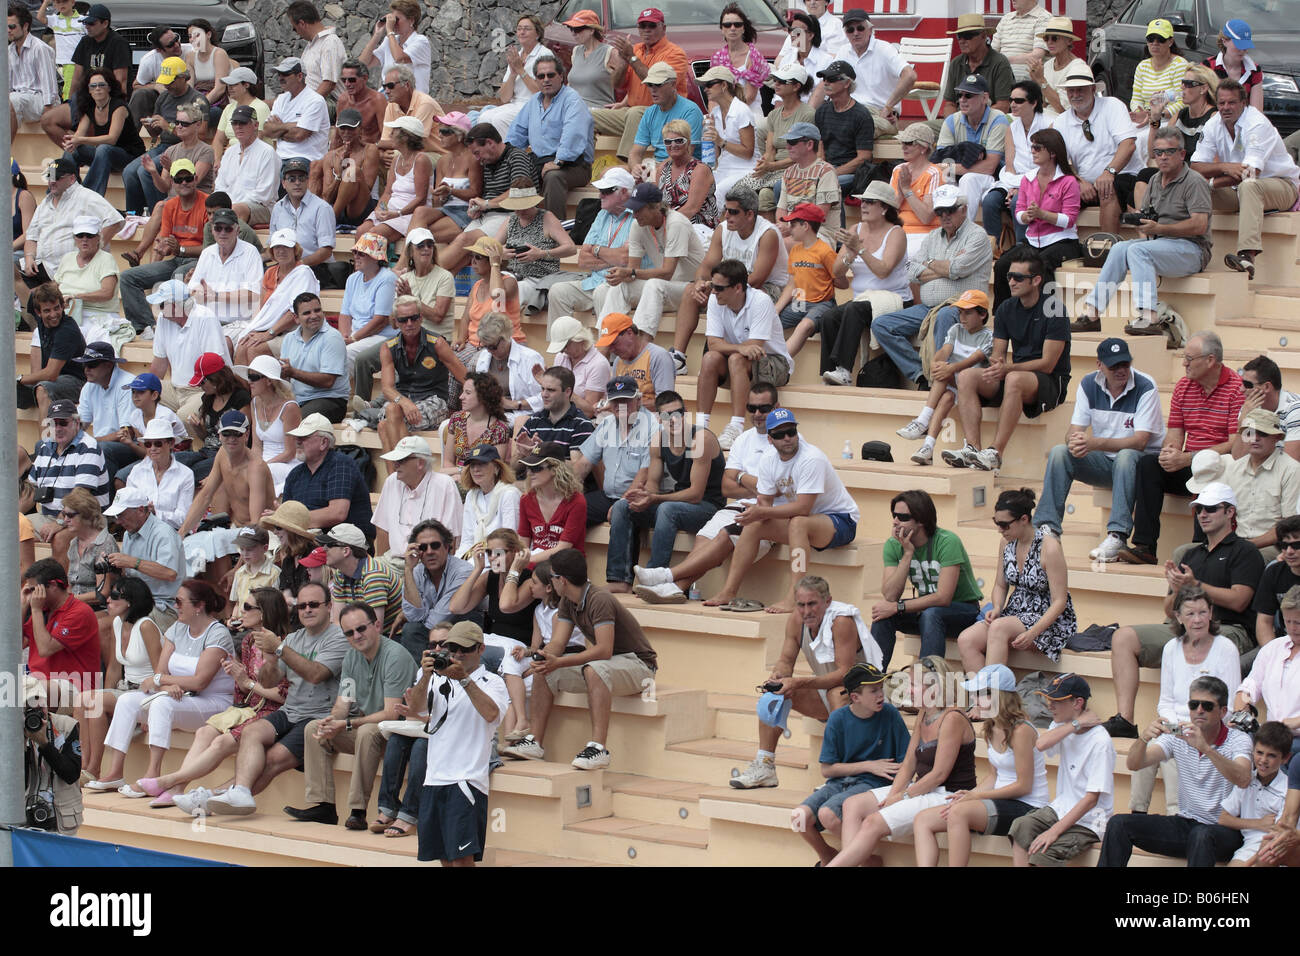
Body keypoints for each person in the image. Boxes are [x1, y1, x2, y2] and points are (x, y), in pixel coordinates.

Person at [1105, 484, 1265, 741]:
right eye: (1199, 509)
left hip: (1230, 629)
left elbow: (1239, 600)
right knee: (1122, 637)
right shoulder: (1191, 554)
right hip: (1185, 627)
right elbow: (1169, 609)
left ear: (1230, 512)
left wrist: (1194, 585)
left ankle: (1206, 730)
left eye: (1211, 508)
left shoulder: (1245, 551)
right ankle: (1125, 719)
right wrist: (1179, 590)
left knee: (1204, 640)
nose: (1203, 514)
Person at [199, 581, 349, 816]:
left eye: (313, 605)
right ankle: (234, 794)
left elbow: (316, 674)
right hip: (291, 710)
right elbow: (269, 681)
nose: (307, 610)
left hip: (318, 716)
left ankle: (211, 798)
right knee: (251, 733)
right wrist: (270, 658)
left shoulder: (338, 638)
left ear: (329, 607)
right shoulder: (294, 638)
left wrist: (278, 649)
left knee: (272, 758)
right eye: (301, 606)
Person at [502, 550, 657, 770]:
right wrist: (548, 657)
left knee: (594, 670)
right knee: (545, 670)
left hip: (640, 666)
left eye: (553, 577)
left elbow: (604, 650)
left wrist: (559, 662)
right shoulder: (568, 600)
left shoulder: (599, 599)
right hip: (611, 663)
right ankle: (534, 742)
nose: (552, 581)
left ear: (561, 581)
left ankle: (598, 748)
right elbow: (558, 642)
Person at [731, 575, 885, 792]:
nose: (806, 611)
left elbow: (846, 675)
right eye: (801, 605)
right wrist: (778, 676)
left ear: (828, 601)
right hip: (828, 690)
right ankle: (765, 766)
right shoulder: (796, 620)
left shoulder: (842, 622)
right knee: (773, 695)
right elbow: (785, 660)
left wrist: (799, 682)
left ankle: (843, 774)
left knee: (838, 693)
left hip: (865, 695)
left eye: (812, 604)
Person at [633, 383, 779, 605]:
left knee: (721, 536)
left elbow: (773, 492)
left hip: (770, 512)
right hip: (736, 506)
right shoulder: (742, 439)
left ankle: (665, 576)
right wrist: (752, 483)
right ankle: (675, 589)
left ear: (776, 407)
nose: (757, 414)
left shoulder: (787, 440)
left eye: (764, 408)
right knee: (703, 539)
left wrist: (741, 477)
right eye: (752, 408)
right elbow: (727, 488)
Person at [706, 407, 859, 614]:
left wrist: (763, 512)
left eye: (791, 431)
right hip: (807, 520)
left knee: (797, 522)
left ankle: (795, 596)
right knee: (754, 524)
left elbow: (803, 508)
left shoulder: (811, 458)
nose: (787, 438)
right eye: (779, 434)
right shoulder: (768, 459)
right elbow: (766, 502)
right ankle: (728, 591)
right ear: (770, 439)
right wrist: (759, 514)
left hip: (841, 520)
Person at [826, 656, 978, 867]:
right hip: (923, 789)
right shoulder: (925, 711)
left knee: (873, 822)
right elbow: (909, 762)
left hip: (947, 794)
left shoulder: (952, 718)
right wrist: (892, 795)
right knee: (852, 805)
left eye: (913, 685)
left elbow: (939, 775)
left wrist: (902, 797)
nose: (908, 691)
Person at [91, 578, 235, 793]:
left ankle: (153, 775)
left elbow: (199, 681)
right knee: (127, 700)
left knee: (161, 706)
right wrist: (165, 685)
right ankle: (115, 772)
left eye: (179, 601)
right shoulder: (177, 628)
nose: (174, 605)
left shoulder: (217, 633)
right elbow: (160, 672)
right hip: (183, 698)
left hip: (214, 703)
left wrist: (164, 682)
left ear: (199, 606)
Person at [1112, 584, 1245, 815]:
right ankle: (1138, 812)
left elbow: (1229, 706)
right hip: (1176, 727)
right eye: (1190, 613)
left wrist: (1193, 729)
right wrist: (1176, 727)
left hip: (1211, 727)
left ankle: (1177, 814)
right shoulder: (1171, 648)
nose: (1197, 620)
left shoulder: (1226, 648)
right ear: (1178, 617)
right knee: (1148, 747)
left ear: (1211, 613)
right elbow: (1165, 701)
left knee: (1181, 750)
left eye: (1203, 612)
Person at [1117, 331, 1244, 564]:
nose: (1184, 363)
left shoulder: (1236, 388)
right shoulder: (1184, 386)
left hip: (1220, 467)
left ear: (1210, 360)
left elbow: (1235, 443)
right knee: (1149, 464)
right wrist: (1170, 453)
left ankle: (1201, 549)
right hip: (1189, 463)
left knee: (1208, 470)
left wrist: (1190, 459)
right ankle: (1145, 546)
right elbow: (1175, 432)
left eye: (1189, 358)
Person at [1033, 338, 1165, 561]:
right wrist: (1075, 441)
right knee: (1059, 452)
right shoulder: (1088, 383)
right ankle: (1047, 530)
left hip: (1140, 465)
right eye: (1114, 366)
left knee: (1126, 456)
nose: (1121, 370)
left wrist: (1094, 443)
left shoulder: (1145, 385)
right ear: (1099, 366)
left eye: (1125, 364)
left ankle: (1117, 535)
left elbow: (1140, 442)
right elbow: (1073, 430)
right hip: (1106, 463)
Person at [1100, 676, 1252, 866]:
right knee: (1118, 824)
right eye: (1194, 704)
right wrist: (1144, 739)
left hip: (1225, 830)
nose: (1199, 710)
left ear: (1222, 712)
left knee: (1201, 834)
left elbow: (1243, 778)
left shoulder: (1238, 740)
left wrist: (1206, 748)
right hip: (1186, 824)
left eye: (1207, 706)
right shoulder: (1178, 735)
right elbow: (1134, 764)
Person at [286, 601, 412, 828]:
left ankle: (358, 811)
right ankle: (322, 806)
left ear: (377, 625)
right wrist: (332, 721)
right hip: (370, 731)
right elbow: (343, 704)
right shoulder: (352, 658)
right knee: (314, 727)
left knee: (366, 731)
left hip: (399, 737)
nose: (356, 635)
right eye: (349, 632)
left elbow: (391, 715)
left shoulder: (396, 656)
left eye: (361, 628)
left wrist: (346, 725)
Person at [1074, 127, 1212, 334]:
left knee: (1138, 251)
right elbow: (1149, 216)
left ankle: (1149, 317)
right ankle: (1092, 314)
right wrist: (1140, 222)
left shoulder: (1194, 181)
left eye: (1169, 152)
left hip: (1193, 249)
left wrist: (1160, 228)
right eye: (1158, 152)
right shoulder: (1155, 180)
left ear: (1182, 154)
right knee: (1120, 248)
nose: (1163, 157)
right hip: (1161, 243)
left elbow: (1200, 225)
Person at [943, 248, 1070, 472]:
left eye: (1018, 277)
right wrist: (997, 365)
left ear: (1036, 280)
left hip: (1050, 382)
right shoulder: (1005, 309)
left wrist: (1007, 368)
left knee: (1014, 379)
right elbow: (998, 353)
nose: (1011, 282)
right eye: (1009, 277)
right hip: (1016, 375)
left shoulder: (1055, 310)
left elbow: (1048, 363)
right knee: (967, 376)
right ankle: (972, 448)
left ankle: (995, 453)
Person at [913, 663, 1049, 866]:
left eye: (983, 695)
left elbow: (1024, 786)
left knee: (959, 813)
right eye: (975, 695)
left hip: (1029, 806)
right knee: (923, 819)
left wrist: (976, 796)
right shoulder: (990, 727)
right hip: (1000, 801)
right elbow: (994, 777)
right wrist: (968, 796)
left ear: (1001, 697)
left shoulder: (1021, 730)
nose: (976, 702)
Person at [871, 184, 992, 389]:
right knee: (882, 325)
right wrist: (945, 267)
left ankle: (942, 381)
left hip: (960, 307)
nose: (944, 216)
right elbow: (910, 269)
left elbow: (957, 268)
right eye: (939, 211)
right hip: (928, 307)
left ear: (963, 209)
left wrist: (930, 264)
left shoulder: (977, 236)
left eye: (950, 210)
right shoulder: (933, 236)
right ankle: (922, 373)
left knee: (945, 315)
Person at [605, 391, 725, 591]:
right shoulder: (658, 440)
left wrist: (653, 499)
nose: (673, 420)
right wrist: (643, 497)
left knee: (667, 509)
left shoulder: (700, 439)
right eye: (667, 416)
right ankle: (619, 580)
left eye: (678, 413)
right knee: (621, 506)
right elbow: (652, 484)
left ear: (685, 413)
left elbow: (695, 494)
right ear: (659, 419)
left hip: (708, 506)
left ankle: (655, 577)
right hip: (678, 504)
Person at [672, 184, 790, 383]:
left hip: (767, 288)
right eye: (726, 210)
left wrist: (717, 288)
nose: (727, 215)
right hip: (731, 285)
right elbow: (707, 264)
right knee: (691, 291)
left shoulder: (767, 233)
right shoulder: (723, 229)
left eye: (733, 212)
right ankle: (678, 357)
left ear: (750, 214)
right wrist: (702, 283)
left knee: (726, 298)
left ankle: (715, 364)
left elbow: (757, 278)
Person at [793, 662, 908, 865]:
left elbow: (906, 760)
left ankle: (854, 861)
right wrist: (868, 765)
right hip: (840, 783)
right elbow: (827, 769)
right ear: (855, 697)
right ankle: (835, 857)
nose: (880, 695)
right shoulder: (837, 719)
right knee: (799, 818)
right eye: (873, 691)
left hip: (872, 785)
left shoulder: (890, 714)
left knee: (828, 814)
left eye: (881, 689)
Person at [416, 621, 509, 865]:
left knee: (462, 861)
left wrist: (464, 680)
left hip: (466, 780)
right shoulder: (435, 677)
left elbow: (492, 715)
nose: (457, 654)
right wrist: (425, 676)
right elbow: (415, 707)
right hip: (434, 778)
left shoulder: (493, 682)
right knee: (443, 858)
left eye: (464, 649)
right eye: (452, 648)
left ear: (480, 649)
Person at [957, 487, 1076, 669]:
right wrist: (997, 607)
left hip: (1048, 621)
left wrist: (1033, 633)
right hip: (1015, 613)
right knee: (966, 639)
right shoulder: (1006, 542)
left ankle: (996, 694)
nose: (999, 530)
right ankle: (983, 696)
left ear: (1024, 520)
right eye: (996, 523)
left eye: (1004, 525)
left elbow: (1059, 601)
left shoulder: (1049, 547)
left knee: (999, 628)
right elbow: (1000, 584)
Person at [1192, 81, 1300, 279]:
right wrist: (1224, 167)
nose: (1225, 108)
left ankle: (1247, 256)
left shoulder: (1257, 123)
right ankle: (1185, 245)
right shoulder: (1213, 124)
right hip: (1238, 188)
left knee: (1249, 185)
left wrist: (1214, 181)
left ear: (1244, 103)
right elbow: (1196, 166)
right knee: (1193, 186)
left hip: (1282, 186)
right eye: (1222, 103)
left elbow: (1251, 172)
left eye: (1231, 103)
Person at [1008, 673, 1116, 866]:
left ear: (1077, 703)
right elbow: (1041, 744)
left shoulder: (1101, 741)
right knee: (1020, 827)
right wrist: (1076, 723)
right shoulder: (1062, 726)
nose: (1049, 705)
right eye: (1049, 699)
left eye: (1056, 700)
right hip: (1061, 808)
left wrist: (1054, 831)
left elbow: (1092, 799)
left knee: (1042, 854)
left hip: (1090, 821)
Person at [869, 488, 983, 668]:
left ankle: (927, 679)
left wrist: (898, 607)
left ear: (921, 520)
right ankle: (871, 679)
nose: (895, 521)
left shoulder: (947, 541)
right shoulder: (893, 545)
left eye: (903, 517)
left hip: (963, 610)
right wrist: (907, 555)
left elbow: (943, 598)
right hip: (926, 610)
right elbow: (890, 596)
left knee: (931, 613)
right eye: (894, 515)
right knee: (882, 614)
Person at [813, 181, 910, 386]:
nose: (863, 205)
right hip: (863, 300)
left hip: (894, 298)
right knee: (829, 317)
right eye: (862, 201)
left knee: (854, 309)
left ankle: (844, 370)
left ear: (884, 208)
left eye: (869, 201)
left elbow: (883, 271)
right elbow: (836, 272)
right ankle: (829, 373)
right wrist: (850, 253)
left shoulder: (897, 233)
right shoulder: (855, 228)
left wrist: (861, 250)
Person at [696, 259, 793, 450]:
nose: (713, 291)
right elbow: (712, 344)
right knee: (709, 358)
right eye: (712, 285)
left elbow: (755, 347)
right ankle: (701, 426)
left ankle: (736, 427)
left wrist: (737, 349)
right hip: (741, 363)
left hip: (776, 364)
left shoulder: (761, 301)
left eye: (719, 287)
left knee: (736, 358)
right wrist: (739, 348)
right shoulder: (716, 301)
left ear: (738, 288)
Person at [449, 530, 539, 733]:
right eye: (489, 552)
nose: (492, 558)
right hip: (494, 642)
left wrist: (515, 569)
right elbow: (456, 607)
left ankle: (510, 732)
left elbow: (507, 604)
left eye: (498, 553)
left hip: (517, 646)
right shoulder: (490, 576)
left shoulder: (530, 579)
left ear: (515, 552)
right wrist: (477, 569)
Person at [77, 577, 163, 785]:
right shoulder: (118, 623)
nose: (108, 600)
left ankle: (94, 768)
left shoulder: (146, 626)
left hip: (147, 694)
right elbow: (115, 667)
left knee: (93, 701)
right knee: (84, 700)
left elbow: (161, 670)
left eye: (115, 596)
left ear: (130, 602)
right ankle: (84, 767)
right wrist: (105, 694)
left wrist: (155, 707)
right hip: (126, 690)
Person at [894, 290, 994, 466]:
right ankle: (928, 446)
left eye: (968, 313)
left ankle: (922, 420)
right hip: (954, 381)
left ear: (983, 314)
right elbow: (945, 351)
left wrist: (948, 368)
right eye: (960, 312)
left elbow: (974, 359)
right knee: (946, 394)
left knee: (944, 374)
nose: (962, 317)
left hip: (973, 387)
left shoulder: (988, 336)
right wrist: (935, 362)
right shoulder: (956, 329)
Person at [599, 184, 706, 344]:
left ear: (656, 206)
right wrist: (620, 275)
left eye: (639, 210)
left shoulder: (676, 223)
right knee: (616, 288)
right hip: (667, 289)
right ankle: (605, 348)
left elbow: (667, 272)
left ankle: (641, 348)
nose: (634, 215)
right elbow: (631, 271)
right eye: (633, 209)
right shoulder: (637, 225)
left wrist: (629, 273)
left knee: (654, 285)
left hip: (692, 290)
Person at [354, 296, 463, 452]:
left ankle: (399, 470)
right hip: (403, 402)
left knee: (385, 424)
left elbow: (464, 377)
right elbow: (387, 388)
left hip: (434, 401)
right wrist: (404, 402)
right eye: (404, 320)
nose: (409, 324)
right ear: (396, 322)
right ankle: (405, 468)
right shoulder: (388, 347)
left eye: (414, 318)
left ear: (421, 318)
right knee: (392, 414)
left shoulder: (437, 343)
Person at [992, 127, 1080, 308]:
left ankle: (1046, 314)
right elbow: (1019, 213)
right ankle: (1002, 313)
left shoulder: (1069, 181)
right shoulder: (1027, 179)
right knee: (1002, 265)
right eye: (1032, 147)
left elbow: (1069, 220)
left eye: (1038, 147)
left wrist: (1042, 214)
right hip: (1033, 241)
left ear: (1053, 152)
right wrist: (1027, 216)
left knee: (1042, 265)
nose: (1033, 151)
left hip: (1063, 241)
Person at [1050, 65, 1141, 235]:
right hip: (1086, 184)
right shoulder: (1061, 121)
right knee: (1051, 195)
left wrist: (1109, 172)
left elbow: (1128, 144)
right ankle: (1060, 249)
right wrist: (1078, 181)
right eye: (1071, 91)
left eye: (1080, 90)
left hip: (1124, 176)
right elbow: (1058, 160)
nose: (1075, 95)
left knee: (1107, 187)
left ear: (1092, 89)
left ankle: (1106, 248)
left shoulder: (1112, 105)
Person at [591, 8, 692, 159]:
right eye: (642, 26)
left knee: (635, 113)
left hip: (666, 115)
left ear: (663, 28)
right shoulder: (636, 50)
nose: (647, 30)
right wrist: (623, 63)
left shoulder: (675, 53)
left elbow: (657, 82)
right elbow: (617, 84)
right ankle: (583, 164)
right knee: (588, 116)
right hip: (633, 114)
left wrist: (632, 58)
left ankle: (625, 167)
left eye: (652, 26)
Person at [505, 54, 593, 221]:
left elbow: (573, 135)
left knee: (553, 177)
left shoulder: (572, 100)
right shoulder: (533, 102)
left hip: (574, 165)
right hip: (541, 161)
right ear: (536, 80)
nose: (546, 80)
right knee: (517, 176)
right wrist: (507, 158)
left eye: (551, 75)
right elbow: (516, 135)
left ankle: (555, 231)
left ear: (561, 76)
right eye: (541, 76)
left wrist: (558, 162)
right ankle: (520, 228)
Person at [20, 156, 122, 295]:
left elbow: (115, 221)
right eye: (49, 177)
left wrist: (91, 251)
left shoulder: (86, 196)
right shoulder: (45, 203)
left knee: (33, 296)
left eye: (57, 178)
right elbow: (31, 237)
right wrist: (29, 257)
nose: (52, 182)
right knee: (9, 275)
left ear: (72, 179)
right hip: (41, 267)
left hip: (72, 270)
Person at [545, 165, 633, 322]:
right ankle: (562, 346)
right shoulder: (602, 214)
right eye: (600, 191)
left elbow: (624, 259)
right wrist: (611, 256)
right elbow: (583, 260)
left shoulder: (637, 216)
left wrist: (596, 250)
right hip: (595, 281)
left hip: (621, 283)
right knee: (558, 292)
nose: (600, 196)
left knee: (602, 292)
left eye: (606, 191)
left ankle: (605, 346)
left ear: (625, 192)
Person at [120, 58, 207, 215]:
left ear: (182, 78)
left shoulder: (197, 99)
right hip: (164, 145)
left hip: (185, 148)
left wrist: (168, 126)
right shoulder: (163, 98)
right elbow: (157, 134)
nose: (167, 86)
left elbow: (201, 133)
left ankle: (159, 214)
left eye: (171, 82)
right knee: (128, 171)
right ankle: (133, 215)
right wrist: (150, 125)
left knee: (145, 171)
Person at [40, 3, 130, 148]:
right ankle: (78, 153)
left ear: (105, 23)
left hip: (106, 100)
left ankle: (86, 153)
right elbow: (76, 77)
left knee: (91, 125)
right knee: (47, 120)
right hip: (84, 98)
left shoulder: (118, 43)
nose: (87, 26)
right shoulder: (85, 41)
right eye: (85, 23)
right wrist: (69, 101)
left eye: (91, 23)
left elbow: (121, 81)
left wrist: (112, 108)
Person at [573, 375, 659, 527]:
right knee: (568, 509)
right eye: (615, 401)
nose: (620, 405)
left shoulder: (653, 426)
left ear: (638, 400)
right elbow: (584, 465)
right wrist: (561, 492)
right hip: (608, 496)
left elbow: (645, 473)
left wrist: (622, 502)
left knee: (622, 512)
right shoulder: (607, 423)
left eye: (625, 400)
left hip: (640, 498)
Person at [27, 401, 108, 556]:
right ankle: (27, 579)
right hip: (48, 516)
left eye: (63, 423)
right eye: (53, 423)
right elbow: (29, 489)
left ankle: (60, 581)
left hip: (85, 519)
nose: (57, 428)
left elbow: (80, 495)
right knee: (11, 528)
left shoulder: (88, 447)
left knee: (60, 538)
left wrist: (59, 523)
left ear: (76, 423)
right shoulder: (46, 447)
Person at [21, 558, 101, 707]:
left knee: (28, 690)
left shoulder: (79, 612)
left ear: (52, 586)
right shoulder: (43, 610)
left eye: (34, 590)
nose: (32, 595)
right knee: (17, 688)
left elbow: (45, 649)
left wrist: (36, 609)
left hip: (76, 686)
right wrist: (23, 604)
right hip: (41, 681)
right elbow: (17, 644)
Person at [103, 487, 186, 630]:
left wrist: (131, 562)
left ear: (141, 510)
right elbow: (129, 573)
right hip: (135, 601)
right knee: (95, 624)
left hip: (162, 605)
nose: (118, 521)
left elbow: (170, 573)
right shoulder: (129, 532)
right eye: (116, 516)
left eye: (121, 515)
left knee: (107, 627)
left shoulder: (163, 533)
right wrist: (113, 567)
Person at [232, 231, 321, 365]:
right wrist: (256, 329)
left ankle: (264, 386)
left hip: (294, 331)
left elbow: (295, 313)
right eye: (277, 247)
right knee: (242, 345)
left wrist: (269, 333)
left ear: (295, 249)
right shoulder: (270, 272)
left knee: (254, 349)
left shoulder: (303, 273)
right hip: (269, 327)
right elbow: (263, 309)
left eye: (286, 247)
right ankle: (244, 386)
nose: (281, 251)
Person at [984, 79, 1051, 255]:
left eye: (1019, 101)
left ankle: (1023, 249)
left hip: (1041, 179)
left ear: (1034, 102)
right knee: (989, 201)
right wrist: (1014, 185)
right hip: (1013, 180)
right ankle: (993, 249)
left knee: (1016, 202)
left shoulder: (1049, 125)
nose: (1013, 104)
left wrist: (1021, 186)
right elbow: (1009, 165)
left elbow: (1047, 165)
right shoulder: (1012, 127)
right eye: (1011, 99)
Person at [282, 412, 375, 539]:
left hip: (346, 545)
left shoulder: (341, 464)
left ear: (324, 443)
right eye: (297, 437)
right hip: (310, 542)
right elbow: (286, 515)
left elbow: (337, 513)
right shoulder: (295, 474)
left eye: (304, 437)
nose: (297, 441)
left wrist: (290, 519)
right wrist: (280, 518)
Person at [819, 11, 914, 135]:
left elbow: (910, 76)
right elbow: (826, 82)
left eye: (860, 28)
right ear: (845, 33)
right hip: (849, 112)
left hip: (878, 114)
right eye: (850, 30)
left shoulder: (884, 49)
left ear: (870, 30)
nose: (855, 33)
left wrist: (888, 108)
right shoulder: (844, 51)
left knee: (851, 130)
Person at [491, 181, 577, 315]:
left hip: (539, 278)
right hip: (513, 275)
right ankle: (493, 328)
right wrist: (501, 252)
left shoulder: (547, 218)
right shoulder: (512, 219)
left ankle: (502, 328)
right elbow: (490, 247)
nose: (521, 211)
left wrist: (543, 253)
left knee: (512, 292)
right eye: (517, 207)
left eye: (525, 206)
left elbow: (571, 248)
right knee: (494, 289)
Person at [737, 63, 815, 210]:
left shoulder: (807, 114)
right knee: (737, 192)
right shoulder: (773, 115)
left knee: (765, 194)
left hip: (798, 169)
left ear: (796, 86)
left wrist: (770, 166)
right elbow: (770, 150)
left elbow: (803, 155)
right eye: (776, 80)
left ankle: (771, 231)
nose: (776, 84)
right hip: (776, 168)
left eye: (782, 81)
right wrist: (764, 164)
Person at [374, 436, 462, 561]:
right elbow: (382, 528)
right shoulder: (391, 481)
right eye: (395, 460)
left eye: (401, 460)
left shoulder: (444, 485)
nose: (395, 465)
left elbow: (451, 538)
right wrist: (381, 566)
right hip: (394, 561)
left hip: (428, 564)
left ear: (420, 463)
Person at [936, 74, 1010, 220]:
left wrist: (951, 167)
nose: (962, 100)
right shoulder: (952, 120)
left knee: (968, 179)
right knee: (938, 178)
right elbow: (939, 161)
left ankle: (963, 231)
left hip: (993, 180)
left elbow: (990, 167)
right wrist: (948, 168)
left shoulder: (998, 119)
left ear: (984, 98)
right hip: (957, 178)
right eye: (960, 95)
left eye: (968, 95)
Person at [400, 519, 475, 659]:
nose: (429, 552)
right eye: (423, 547)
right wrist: (408, 569)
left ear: (447, 547)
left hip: (459, 629)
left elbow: (437, 620)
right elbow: (413, 617)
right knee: (411, 630)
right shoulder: (415, 571)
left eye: (435, 545)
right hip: (431, 632)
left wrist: (422, 615)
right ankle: (422, 678)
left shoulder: (463, 570)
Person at [62, 67, 143, 196]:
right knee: (71, 151)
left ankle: (89, 196)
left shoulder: (119, 106)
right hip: (104, 155)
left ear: (109, 88)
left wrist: (80, 140)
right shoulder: (90, 107)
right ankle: (68, 192)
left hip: (128, 155)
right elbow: (79, 134)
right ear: (89, 90)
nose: (97, 88)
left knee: (103, 148)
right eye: (93, 86)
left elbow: (112, 139)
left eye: (101, 85)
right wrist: (72, 143)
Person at [1219, 721, 1292, 865]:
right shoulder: (1247, 780)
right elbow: (1223, 818)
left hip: (1278, 850)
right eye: (1259, 753)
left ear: (1285, 758)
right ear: (1253, 750)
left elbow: (1278, 836)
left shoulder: (1289, 789)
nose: (1263, 760)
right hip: (1249, 847)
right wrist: (1257, 824)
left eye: (1271, 756)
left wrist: (1249, 864)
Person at [777, 203, 844, 358]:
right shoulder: (794, 250)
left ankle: (780, 363)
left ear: (805, 225)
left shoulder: (825, 250)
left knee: (804, 326)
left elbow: (842, 282)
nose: (789, 228)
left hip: (822, 304)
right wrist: (777, 308)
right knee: (769, 323)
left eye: (793, 224)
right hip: (799, 301)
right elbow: (791, 283)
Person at [1238, 584, 1300, 751]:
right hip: (1271, 737)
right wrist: (1242, 708)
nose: (1293, 628)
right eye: (1288, 622)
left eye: (1298, 622)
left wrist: (1292, 723)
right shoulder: (1274, 648)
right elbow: (1250, 686)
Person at [187, 209, 263, 344]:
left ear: (237, 230)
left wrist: (215, 296)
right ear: (212, 229)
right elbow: (192, 290)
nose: (222, 233)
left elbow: (254, 294)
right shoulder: (207, 253)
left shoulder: (250, 252)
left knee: (222, 343)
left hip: (239, 323)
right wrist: (199, 292)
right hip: (207, 321)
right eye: (218, 228)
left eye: (228, 229)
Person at [54, 216, 129, 350]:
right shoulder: (67, 258)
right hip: (65, 314)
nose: (84, 239)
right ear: (74, 238)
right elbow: (54, 286)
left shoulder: (106, 259)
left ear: (98, 238)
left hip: (96, 315)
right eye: (80, 235)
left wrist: (77, 297)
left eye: (89, 235)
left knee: (80, 336)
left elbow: (107, 293)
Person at [20, 676, 82, 835]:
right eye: (30, 704)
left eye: (39, 700)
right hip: (24, 818)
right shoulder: (13, 733)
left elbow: (71, 774)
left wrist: (44, 744)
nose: (38, 708)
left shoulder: (67, 726)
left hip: (62, 820)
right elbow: (17, 782)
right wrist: (23, 743)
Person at [268, 158, 340, 290]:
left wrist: (297, 266)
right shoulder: (278, 208)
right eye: (292, 179)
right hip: (286, 267)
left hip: (316, 269)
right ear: (283, 183)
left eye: (301, 178)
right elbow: (272, 244)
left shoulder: (322, 208)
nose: (297, 183)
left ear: (307, 181)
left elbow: (326, 251)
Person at [625, 62, 705, 181]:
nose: (653, 89)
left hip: (684, 169)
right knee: (608, 174)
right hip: (656, 167)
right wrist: (635, 167)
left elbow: (685, 155)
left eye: (658, 84)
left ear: (673, 84)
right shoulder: (649, 112)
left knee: (642, 186)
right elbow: (635, 152)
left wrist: (652, 171)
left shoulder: (691, 111)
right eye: (650, 85)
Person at [357, 116, 431, 244]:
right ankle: (360, 264)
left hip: (408, 214)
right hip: (391, 211)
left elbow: (420, 199)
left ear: (406, 136)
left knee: (374, 235)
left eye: (394, 131)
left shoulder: (421, 160)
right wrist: (380, 209)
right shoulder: (397, 159)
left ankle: (375, 264)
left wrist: (397, 213)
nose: (390, 135)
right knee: (361, 231)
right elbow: (387, 193)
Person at [279, 293, 349, 422]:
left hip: (330, 400)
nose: (314, 316)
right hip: (298, 400)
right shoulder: (289, 338)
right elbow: (285, 378)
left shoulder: (332, 337)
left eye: (317, 310)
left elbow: (328, 381)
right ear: (296, 318)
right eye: (307, 313)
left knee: (295, 422)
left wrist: (293, 372)